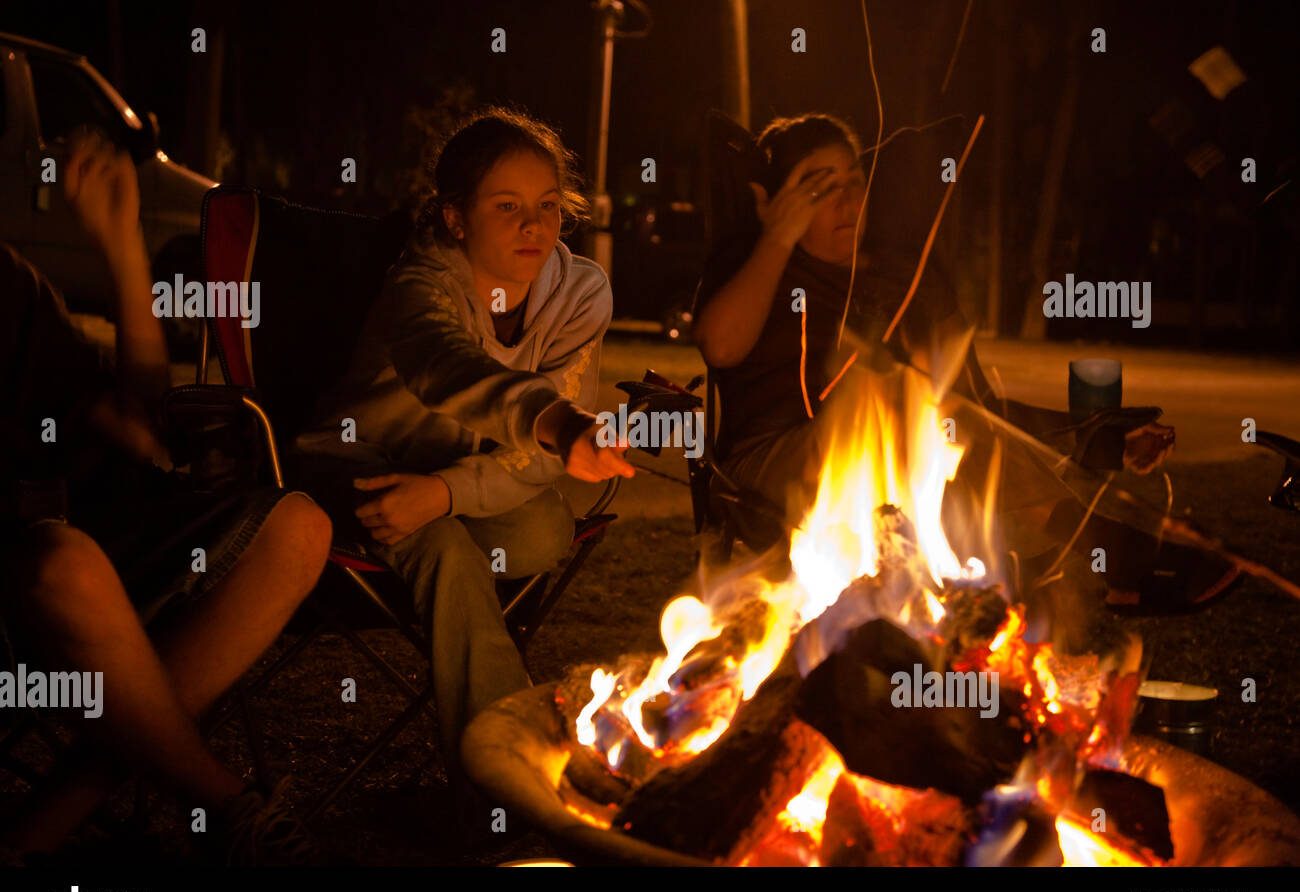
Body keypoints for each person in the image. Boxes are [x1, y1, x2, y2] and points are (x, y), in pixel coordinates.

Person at [693, 113, 1236, 612]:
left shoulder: (905, 280)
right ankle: (1112, 550)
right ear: (776, 199)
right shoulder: (755, 262)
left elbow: (973, 407)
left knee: (927, 409)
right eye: (818, 185)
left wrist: (1103, 439)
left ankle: (1104, 553)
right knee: (895, 395)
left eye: (854, 181)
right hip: (767, 461)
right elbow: (721, 347)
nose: (846, 200)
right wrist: (778, 237)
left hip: (892, 448)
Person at [0, 131, 333, 864]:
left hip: (67, 533)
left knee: (297, 527)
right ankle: (231, 810)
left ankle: (38, 831)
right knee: (66, 562)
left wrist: (120, 245)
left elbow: (136, 424)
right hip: (34, 562)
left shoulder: (6, 285)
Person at [293, 108, 633, 788]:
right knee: (447, 549)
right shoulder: (421, 287)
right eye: (507, 207)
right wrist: (559, 424)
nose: (534, 227)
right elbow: (447, 369)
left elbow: (539, 462)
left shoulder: (579, 294)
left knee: (543, 525)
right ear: (454, 218)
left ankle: (512, 748)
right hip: (361, 468)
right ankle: (508, 777)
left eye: (547, 206)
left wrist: (447, 492)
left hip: (453, 479)